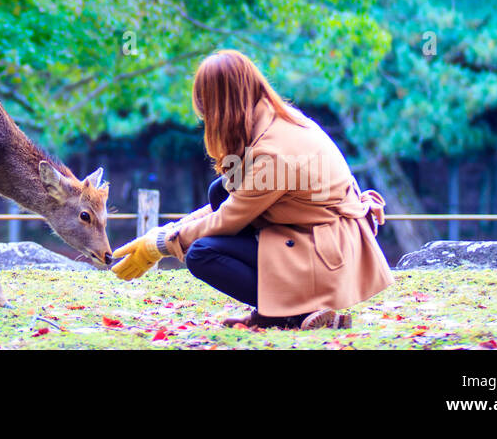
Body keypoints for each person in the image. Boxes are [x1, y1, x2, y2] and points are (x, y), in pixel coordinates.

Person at [110, 49, 393, 330]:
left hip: (326, 254)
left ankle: (296, 312)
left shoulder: (273, 152)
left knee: (202, 254)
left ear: (219, 107)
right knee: (219, 192)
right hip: (310, 234)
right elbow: (230, 203)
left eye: (206, 111)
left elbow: (228, 218)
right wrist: (167, 232)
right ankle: (279, 310)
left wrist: (161, 245)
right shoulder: (274, 119)